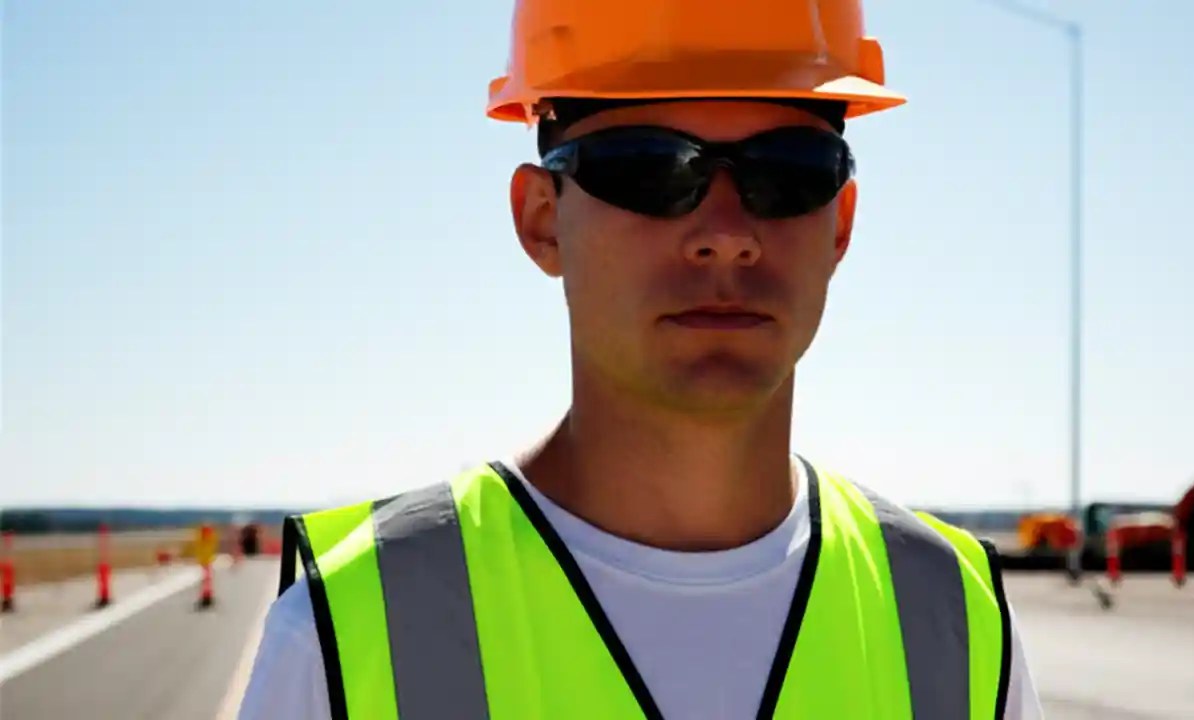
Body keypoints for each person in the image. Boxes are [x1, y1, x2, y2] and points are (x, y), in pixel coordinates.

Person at [239, 1, 1044, 717]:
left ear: (840, 224)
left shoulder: (955, 621)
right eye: (653, 170)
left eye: (788, 173)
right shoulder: (348, 632)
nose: (725, 229)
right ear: (541, 220)